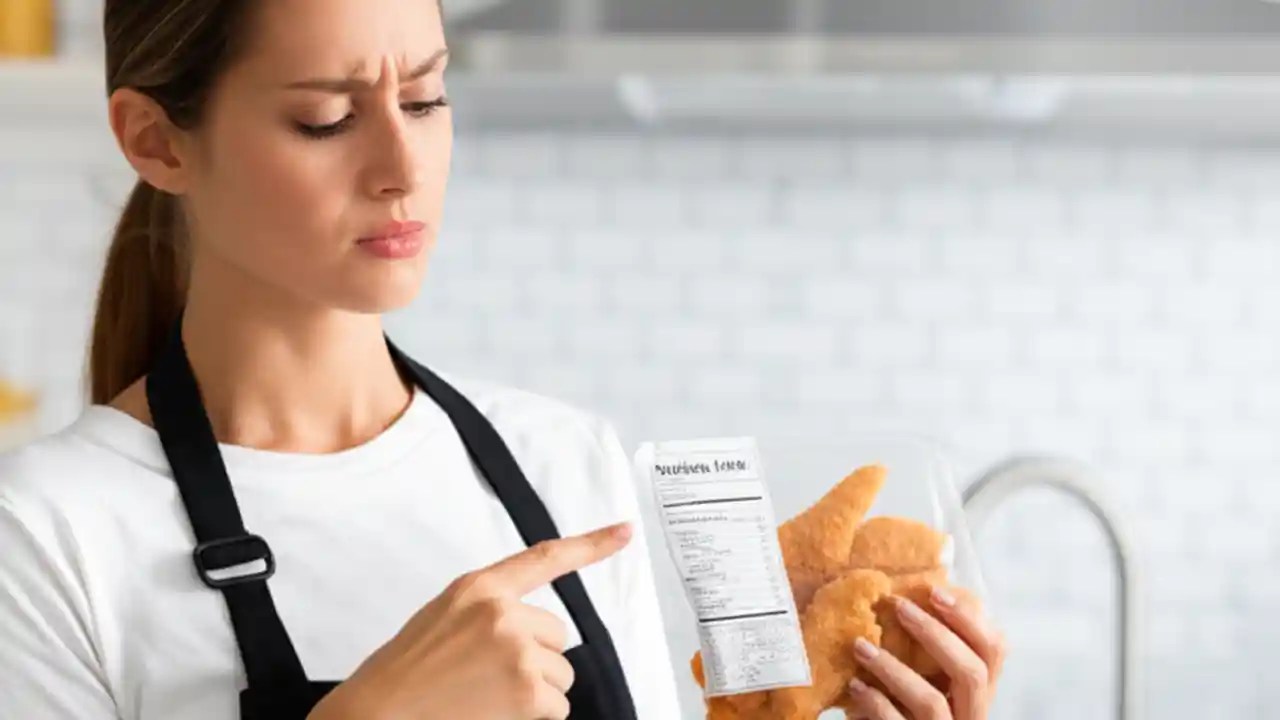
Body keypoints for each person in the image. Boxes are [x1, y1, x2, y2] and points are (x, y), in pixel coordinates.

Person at [0, 0, 1005, 718]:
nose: (402, 168)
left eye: (425, 99)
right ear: (156, 141)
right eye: (326, 118)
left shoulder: (563, 459)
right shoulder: (46, 533)